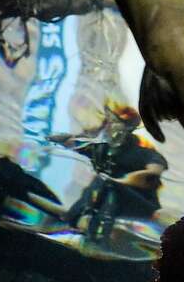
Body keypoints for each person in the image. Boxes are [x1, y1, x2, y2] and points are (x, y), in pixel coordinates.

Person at [54, 102, 167, 241]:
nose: (110, 126)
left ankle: (95, 234)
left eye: (115, 122)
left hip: (141, 208)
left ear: (128, 128)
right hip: (104, 199)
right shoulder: (101, 149)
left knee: (106, 183)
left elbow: (152, 174)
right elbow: (74, 143)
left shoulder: (143, 153)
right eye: (109, 121)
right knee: (102, 184)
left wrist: (122, 181)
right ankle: (73, 221)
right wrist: (60, 140)